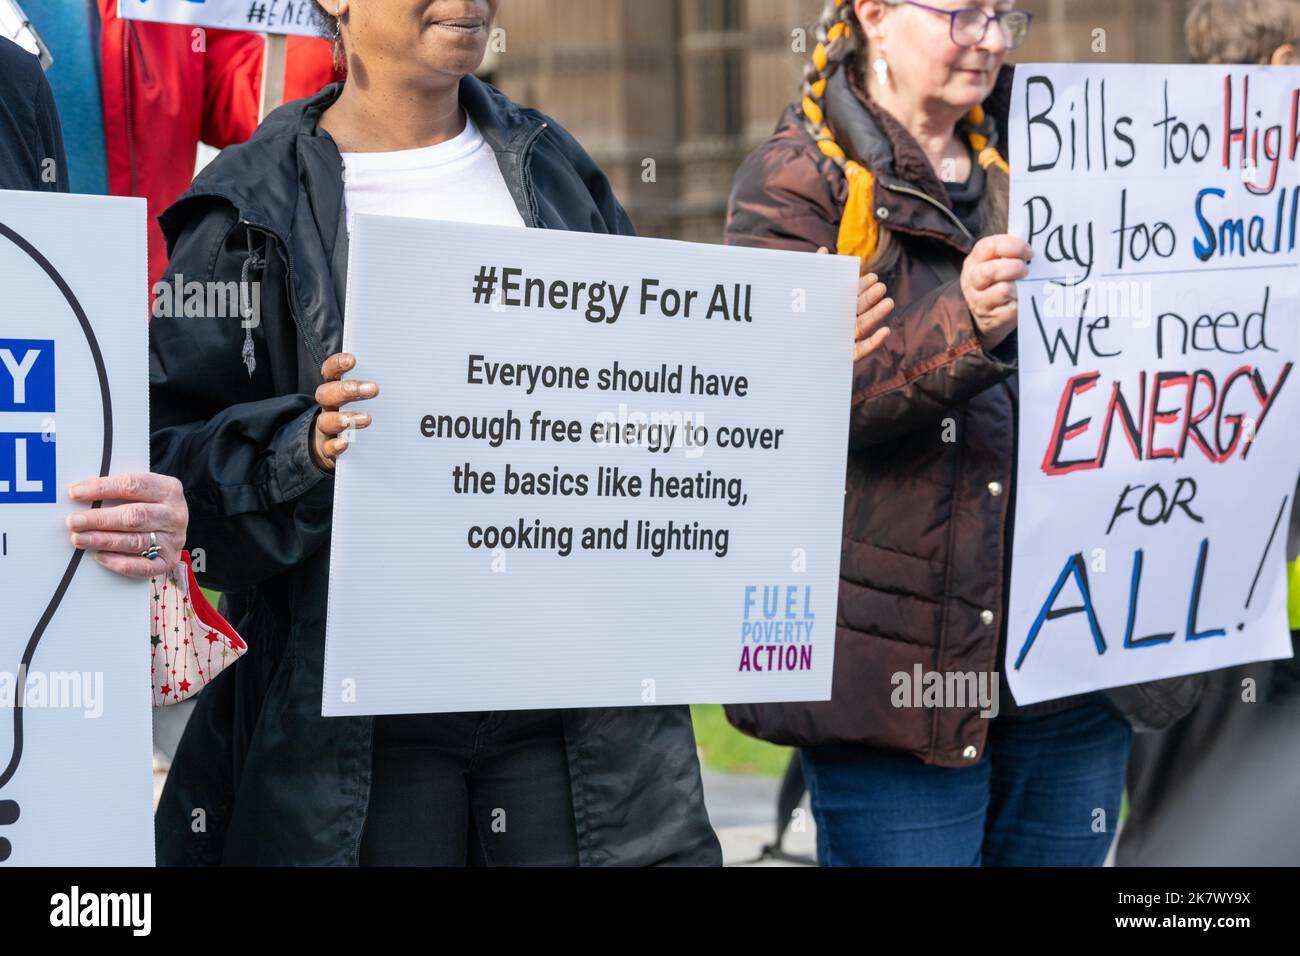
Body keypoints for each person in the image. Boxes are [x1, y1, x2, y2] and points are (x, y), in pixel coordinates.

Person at [722, 0, 1134, 866]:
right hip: (899, 680)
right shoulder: (800, 182)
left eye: (1004, 15)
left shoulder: (1075, 149)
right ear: (872, 12)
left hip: (1067, 656)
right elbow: (782, 410)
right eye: (963, 14)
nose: (990, 40)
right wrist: (964, 324)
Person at [1115, 0, 1300, 867]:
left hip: (1176, 572)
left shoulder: (1135, 180)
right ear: (1286, 63)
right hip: (1221, 567)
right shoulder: (1223, 196)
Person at [30, 0, 341, 288]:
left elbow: (253, 99)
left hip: (135, 295)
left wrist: (320, 18)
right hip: (19, 283)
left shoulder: (180, 15)